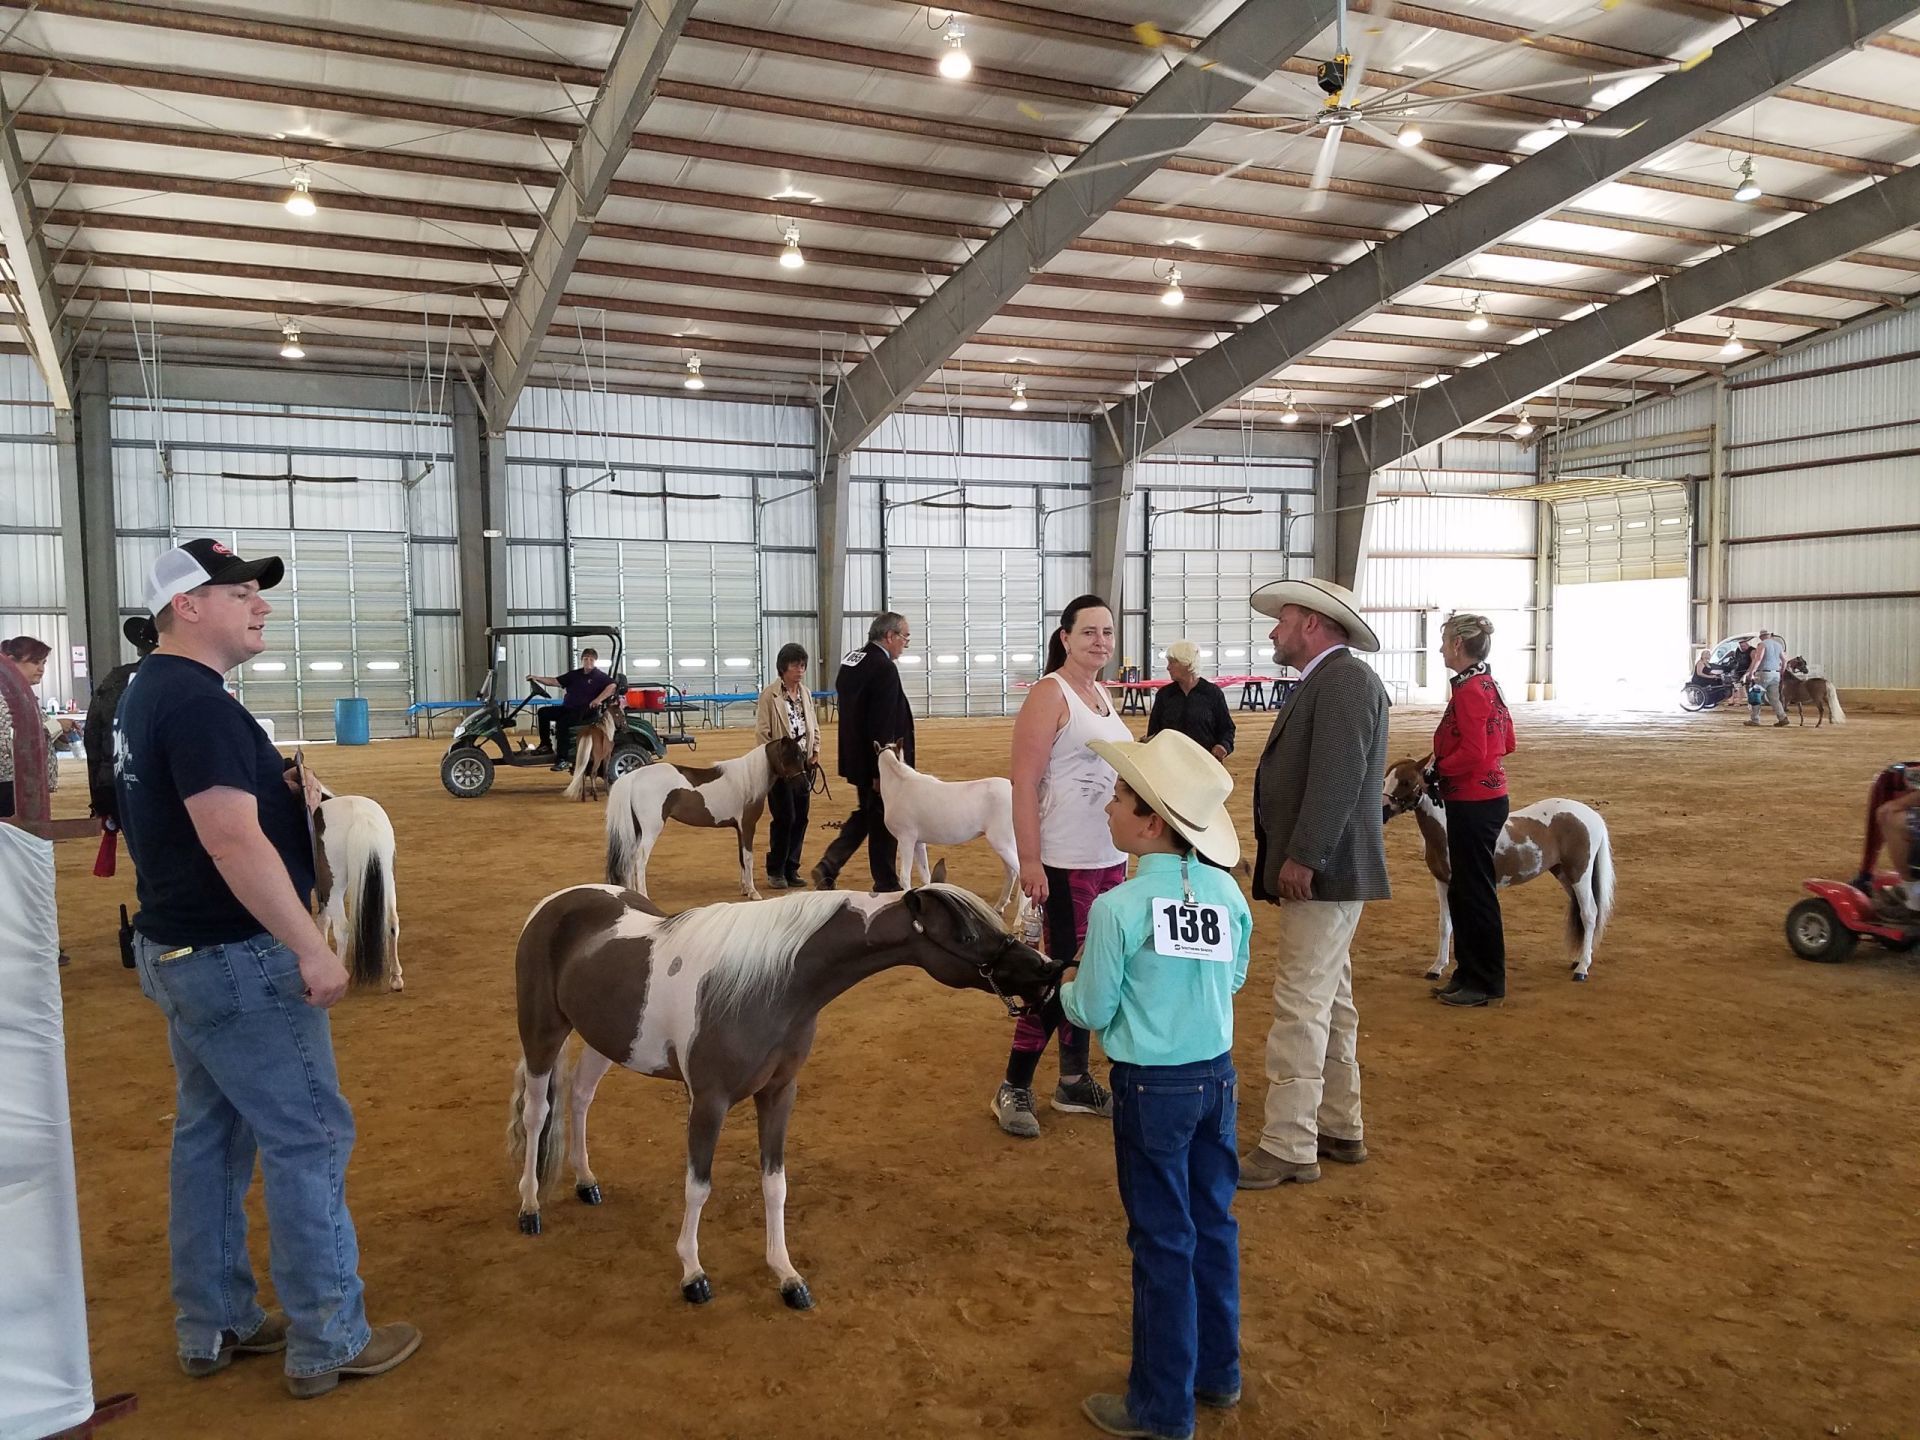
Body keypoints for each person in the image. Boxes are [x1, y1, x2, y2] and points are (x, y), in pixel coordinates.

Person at [114, 537, 419, 1398]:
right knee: (310, 1136)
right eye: (241, 591)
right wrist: (311, 944)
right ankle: (328, 1336)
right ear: (188, 605)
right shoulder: (203, 706)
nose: (261, 604)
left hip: (177, 951)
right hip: (238, 960)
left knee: (210, 1138)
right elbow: (228, 837)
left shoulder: (151, 693)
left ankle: (213, 1320)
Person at [1061, 730, 1252, 1440]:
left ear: (1150, 821)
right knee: (1211, 1226)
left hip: (1153, 1089)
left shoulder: (1117, 908)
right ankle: (1217, 1373)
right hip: (1216, 1080)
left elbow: (1094, 1009)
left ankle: (1161, 1407)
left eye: (1118, 797)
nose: (1108, 807)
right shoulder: (1224, 892)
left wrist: (1063, 990)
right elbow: (1232, 977)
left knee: (1161, 1242)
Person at [1241, 578, 1390, 1190]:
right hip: (1326, 872)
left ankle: (1289, 1143)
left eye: (1282, 620)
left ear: (1311, 625)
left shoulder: (1345, 681)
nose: (1273, 630)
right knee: (1330, 999)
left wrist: (1302, 856)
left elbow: (1339, 776)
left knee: (1300, 1002)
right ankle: (1338, 1124)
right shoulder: (1330, 681)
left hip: (1322, 873)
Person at [992, 595, 1130, 1140]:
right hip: (1066, 861)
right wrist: (1029, 860)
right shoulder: (1050, 695)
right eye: (1090, 631)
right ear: (1065, 638)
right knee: (1058, 975)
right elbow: (1023, 783)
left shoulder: (1102, 695)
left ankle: (1073, 1079)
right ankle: (1014, 1083)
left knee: (1093, 973)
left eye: (1108, 632)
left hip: (1110, 860)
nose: (1101, 640)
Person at [1430, 613, 1517, 1009]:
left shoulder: (1469, 692)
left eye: (1446, 640)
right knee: (1467, 890)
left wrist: (1438, 769)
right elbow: (1507, 742)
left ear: (1459, 646)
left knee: (1474, 892)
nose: (1442, 647)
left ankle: (1483, 979)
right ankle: (1469, 973)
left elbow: (1474, 752)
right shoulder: (1486, 684)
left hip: (1472, 802)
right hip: (1483, 798)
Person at [812, 612, 914, 893]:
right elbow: (881, 723)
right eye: (904, 637)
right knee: (884, 819)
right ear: (890, 636)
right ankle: (886, 882)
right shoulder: (884, 668)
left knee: (868, 813)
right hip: (878, 763)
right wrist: (882, 770)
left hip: (855, 757)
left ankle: (829, 865)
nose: (906, 643)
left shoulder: (852, 660)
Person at [755, 641, 821, 890]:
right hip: (781, 768)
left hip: (803, 766)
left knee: (801, 818)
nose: (800, 670)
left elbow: (813, 725)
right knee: (784, 817)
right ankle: (776, 869)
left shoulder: (805, 692)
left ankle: (792, 868)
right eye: (795, 665)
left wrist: (815, 751)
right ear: (783, 668)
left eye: (803, 665)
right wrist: (778, 762)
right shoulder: (769, 696)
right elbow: (762, 733)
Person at [86, 614, 161, 828]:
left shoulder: (116, 680)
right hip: (171, 792)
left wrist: (99, 795)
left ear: (139, 649)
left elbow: (93, 737)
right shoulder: (187, 680)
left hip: (117, 784)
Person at [1145, 639, 1235, 762]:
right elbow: (1153, 732)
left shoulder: (1212, 693)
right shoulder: (1164, 695)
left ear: (1187, 663)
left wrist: (1223, 745)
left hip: (1205, 763)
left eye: (1172, 662)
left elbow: (1227, 728)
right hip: (1170, 763)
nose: (1168, 667)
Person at [0, 634, 58, 820]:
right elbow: (8, 738)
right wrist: (55, 726)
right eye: (34, 662)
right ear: (10, 662)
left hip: (21, 782)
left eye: (43, 663)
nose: (41, 669)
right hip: (9, 784)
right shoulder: (5, 695)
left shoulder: (20, 694)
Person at [528, 648, 617, 769]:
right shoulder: (575, 675)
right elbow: (555, 681)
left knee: (562, 723)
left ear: (595, 661)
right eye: (586, 659)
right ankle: (546, 745)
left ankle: (562, 759)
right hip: (569, 708)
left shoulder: (599, 676)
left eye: (591, 659)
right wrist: (537, 678)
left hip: (585, 711)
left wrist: (598, 699)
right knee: (543, 712)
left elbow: (612, 686)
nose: (588, 661)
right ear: (582, 660)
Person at [1744, 628, 1789, 728]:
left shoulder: (1762, 645)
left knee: (1756, 696)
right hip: (1775, 674)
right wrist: (1782, 671)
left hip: (1763, 674)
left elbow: (1758, 658)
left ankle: (1755, 719)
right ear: (1770, 635)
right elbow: (1785, 660)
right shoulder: (1778, 645)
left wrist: (1751, 672)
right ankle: (1782, 717)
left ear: (1761, 637)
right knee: (1774, 698)